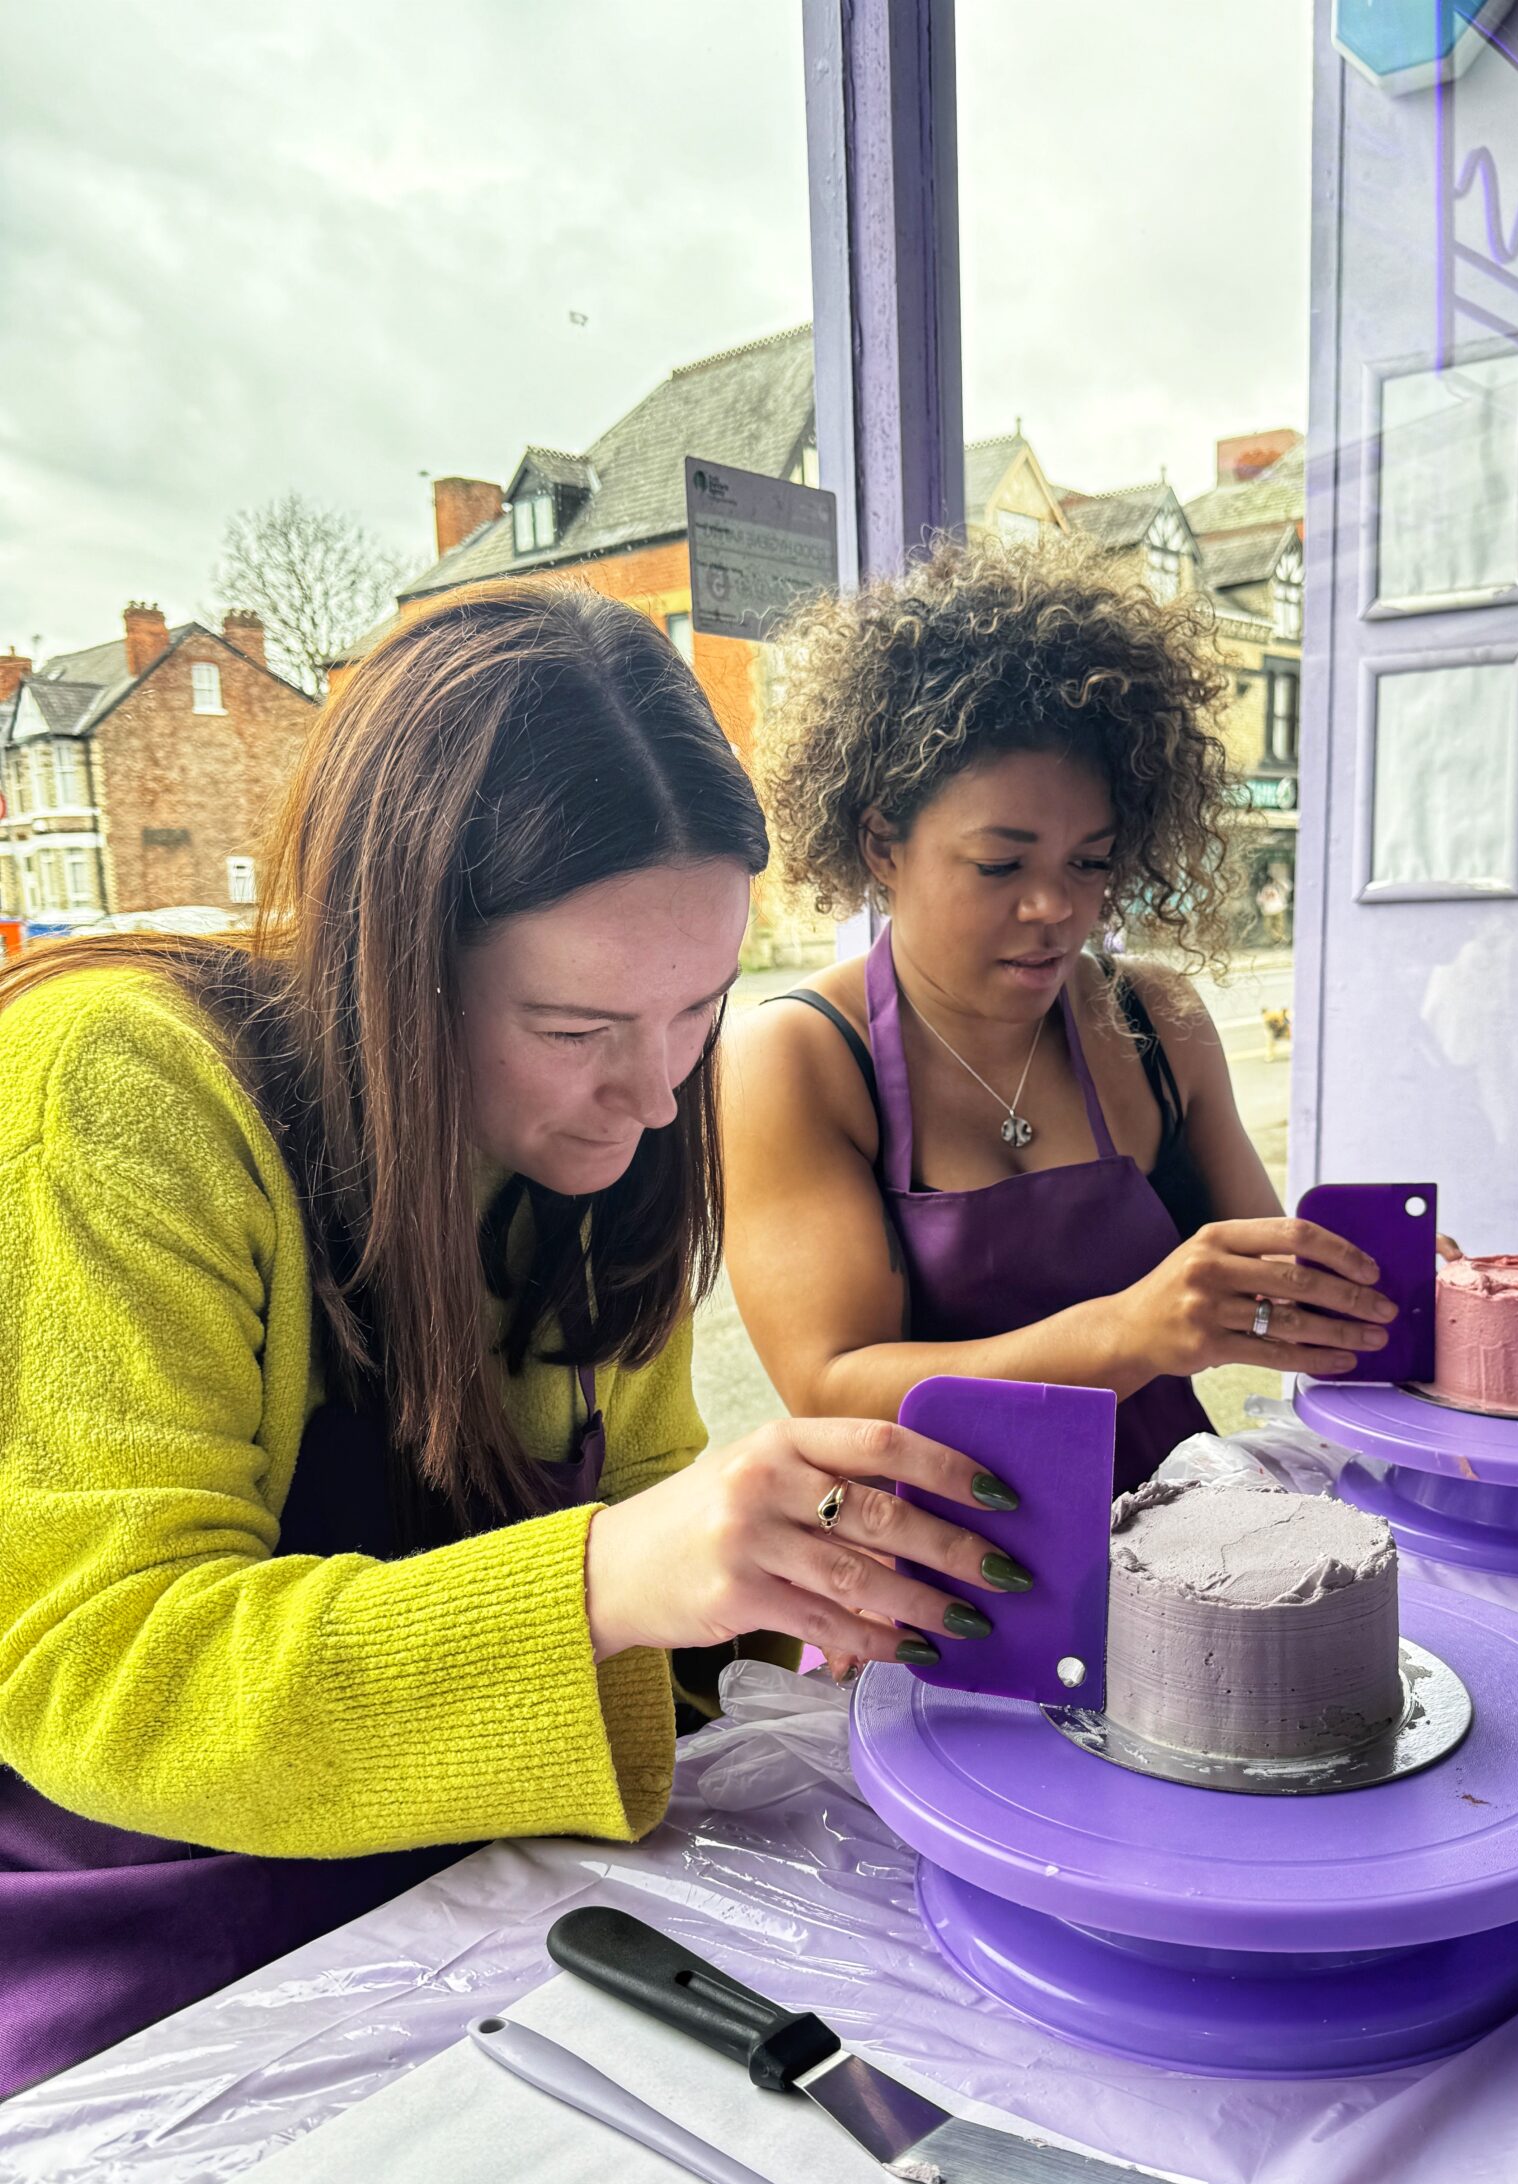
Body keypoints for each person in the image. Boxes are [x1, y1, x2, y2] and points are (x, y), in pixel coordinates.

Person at [0, 582, 1019, 2096]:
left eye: (699, 1008)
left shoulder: (614, 1150)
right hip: (155, 1974)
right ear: (388, 961)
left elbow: (658, 1541)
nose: (658, 1094)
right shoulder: (113, 1085)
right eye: (574, 1028)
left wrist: (811, 1573)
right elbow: (101, 1669)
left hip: (484, 1906)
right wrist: (619, 1574)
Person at [723, 540, 1395, 1494]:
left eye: (1090, 863)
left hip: (1187, 1537)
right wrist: (1127, 1333)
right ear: (882, 843)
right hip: (945, 1574)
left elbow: (1262, 1306)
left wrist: (1374, 1292)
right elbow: (831, 1388)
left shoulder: (1155, 1020)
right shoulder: (797, 1058)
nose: (1057, 910)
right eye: (1001, 865)